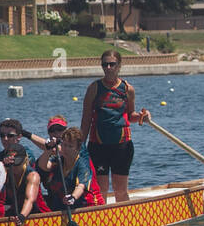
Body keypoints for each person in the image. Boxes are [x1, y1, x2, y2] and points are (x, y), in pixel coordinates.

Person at [80, 50, 150, 203]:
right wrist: (80, 145)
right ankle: (101, 223)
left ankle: (125, 221)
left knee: (120, 191)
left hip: (122, 146)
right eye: (105, 64)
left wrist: (141, 117)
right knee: (101, 190)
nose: (108, 68)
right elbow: (86, 120)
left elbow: (131, 115)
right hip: (98, 146)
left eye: (112, 64)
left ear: (119, 66)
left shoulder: (127, 89)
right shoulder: (94, 88)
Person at [38, 127, 104, 211]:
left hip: (89, 205)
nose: (66, 149)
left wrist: (73, 197)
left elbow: (80, 186)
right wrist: (49, 149)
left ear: (77, 148)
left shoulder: (83, 165)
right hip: (67, 205)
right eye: (64, 145)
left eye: (70, 146)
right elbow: (43, 166)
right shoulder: (58, 159)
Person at [0, 144, 50, 218]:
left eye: (17, 164)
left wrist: (22, 216)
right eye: (11, 164)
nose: (14, 167)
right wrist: (3, 167)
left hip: (38, 215)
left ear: (25, 159)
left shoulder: (32, 175)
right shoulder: (6, 172)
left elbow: (29, 199)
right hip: (16, 212)